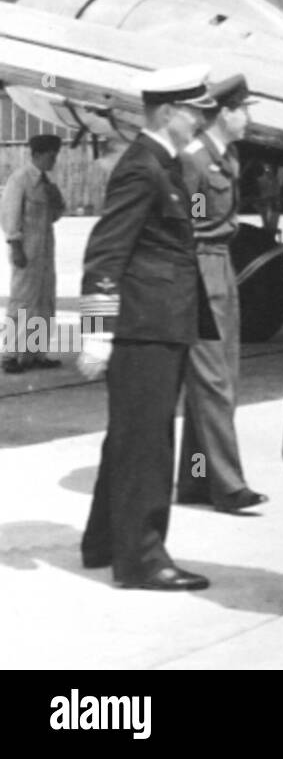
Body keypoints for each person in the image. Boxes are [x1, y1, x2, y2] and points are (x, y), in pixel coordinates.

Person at [78, 67, 219, 591]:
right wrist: (96, 332)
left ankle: (103, 541)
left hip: (157, 323)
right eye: (194, 112)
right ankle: (142, 561)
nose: (201, 120)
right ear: (168, 112)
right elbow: (105, 252)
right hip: (144, 328)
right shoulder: (144, 167)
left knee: (129, 437)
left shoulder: (163, 164)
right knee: (148, 443)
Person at [175, 74, 268, 513]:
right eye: (243, 109)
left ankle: (196, 480)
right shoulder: (193, 161)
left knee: (219, 377)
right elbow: (186, 226)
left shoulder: (225, 157)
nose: (248, 117)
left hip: (222, 267)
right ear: (224, 113)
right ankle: (229, 485)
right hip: (199, 269)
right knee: (213, 381)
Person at [2, 133, 66, 373]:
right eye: (51, 156)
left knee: (43, 302)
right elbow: (10, 216)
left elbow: (54, 217)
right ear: (37, 154)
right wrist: (15, 246)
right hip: (26, 253)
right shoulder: (20, 180)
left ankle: (35, 353)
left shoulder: (48, 183)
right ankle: (10, 355)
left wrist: (57, 201)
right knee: (22, 303)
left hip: (46, 254)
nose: (54, 160)